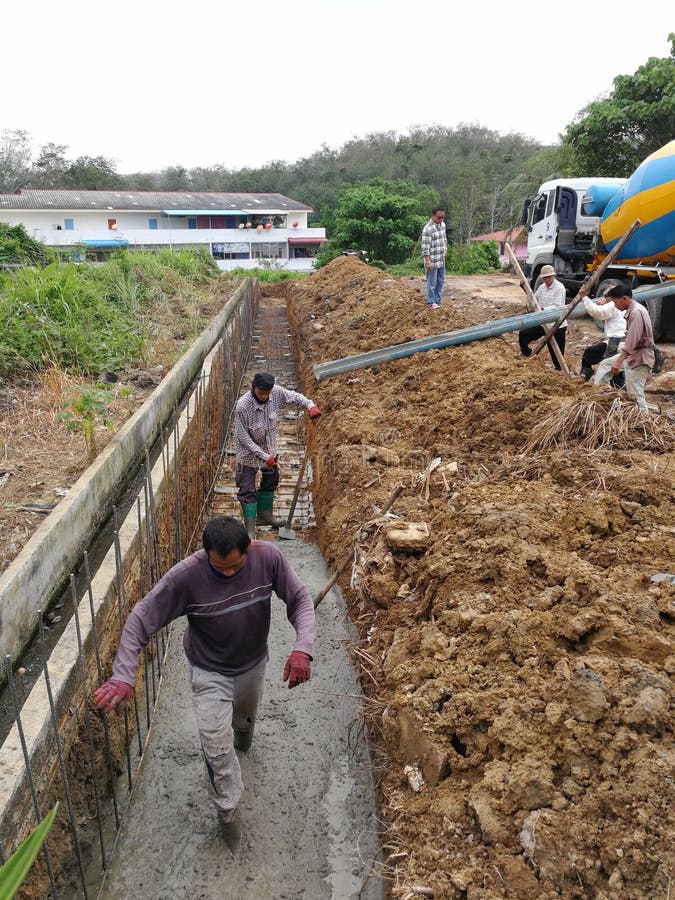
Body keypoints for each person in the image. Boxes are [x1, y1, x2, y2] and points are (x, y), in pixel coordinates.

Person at [94, 515, 316, 848]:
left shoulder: (268, 558)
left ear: (248, 548)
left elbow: (299, 599)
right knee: (215, 743)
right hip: (209, 671)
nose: (227, 573)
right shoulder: (187, 577)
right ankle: (228, 815)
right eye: (219, 568)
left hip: (253, 664)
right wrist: (124, 673)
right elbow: (140, 618)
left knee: (244, 723)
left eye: (234, 567)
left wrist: (302, 648)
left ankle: (243, 741)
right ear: (206, 554)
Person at [234, 372, 321, 538]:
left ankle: (265, 516)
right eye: (261, 393)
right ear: (253, 388)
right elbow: (243, 438)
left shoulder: (276, 393)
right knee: (246, 489)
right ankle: (250, 529)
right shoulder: (242, 407)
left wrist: (310, 406)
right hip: (248, 455)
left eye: (267, 393)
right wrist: (263, 456)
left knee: (271, 481)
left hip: (270, 451)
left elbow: (295, 397)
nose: (265, 396)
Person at [593, 283, 655, 413]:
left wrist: (619, 361)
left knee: (635, 395)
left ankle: (644, 422)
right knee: (605, 364)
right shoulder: (634, 310)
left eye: (616, 302)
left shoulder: (637, 313)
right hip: (635, 354)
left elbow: (632, 342)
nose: (615, 306)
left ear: (625, 299)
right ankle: (596, 395)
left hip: (641, 358)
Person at [518, 265, 568, 369]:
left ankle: (559, 371)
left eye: (549, 277)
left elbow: (557, 306)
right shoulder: (542, 287)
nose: (547, 279)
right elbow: (533, 299)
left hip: (557, 325)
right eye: (545, 278)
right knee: (523, 334)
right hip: (543, 322)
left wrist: (543, 309)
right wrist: (525, 288)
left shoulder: (559, 288)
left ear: (553, 276)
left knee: (556, 353)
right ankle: (528, 355)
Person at [578, 283, 626, 387]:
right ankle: (618, 386)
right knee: (594, 354)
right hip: (620, 339)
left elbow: (596, 311)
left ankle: (614, 386)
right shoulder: (622, 303)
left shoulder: (613, 304)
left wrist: (585, 298)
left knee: (611, 365)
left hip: (616, 340)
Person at [421, 206, 448, 309]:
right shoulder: (428, 229)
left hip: (441, 260)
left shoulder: (443, 225)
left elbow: (444, 239)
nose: (441, 219)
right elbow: (425, 247)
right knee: (431, 283)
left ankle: (437, 301)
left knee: (440, 281)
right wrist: (428, 261)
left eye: (442, 217)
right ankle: (431, 302)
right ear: (433, 216)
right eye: (439, 217)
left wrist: (445, 249)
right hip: (432, 261)